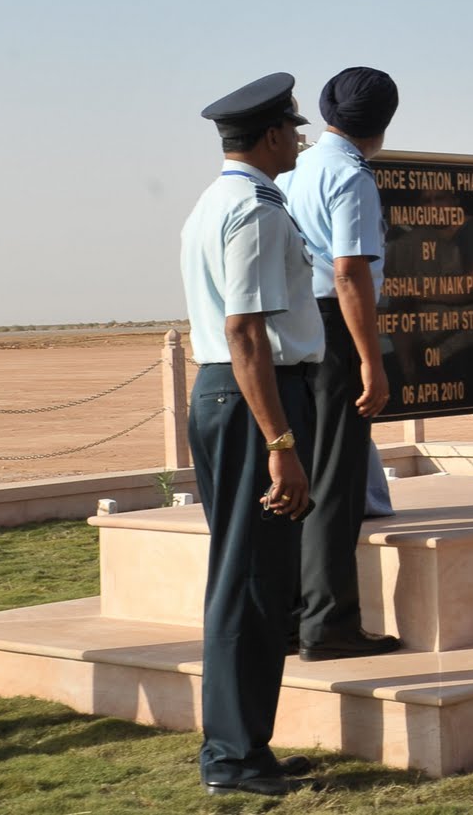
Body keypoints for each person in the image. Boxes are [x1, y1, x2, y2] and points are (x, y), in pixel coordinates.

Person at [180, 72, 321, 796]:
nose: (299, 138)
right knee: (250, 583)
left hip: (228, 395)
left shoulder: (216, 200)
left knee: (254, 577)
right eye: (293, 129)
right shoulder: (258, 209)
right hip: (252, 401)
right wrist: (281, 444)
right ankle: (233, 758)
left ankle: (245, 747)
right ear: (270, 136)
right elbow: (246, 332)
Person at [276, 66, 402, 661]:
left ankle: (295, 614)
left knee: (305, 477)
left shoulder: (299, 168)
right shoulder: (351, 177)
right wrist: (372, 362)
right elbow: (351, 272)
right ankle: (329, 627)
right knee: (337, 482)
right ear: (382, 123)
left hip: (300, 324)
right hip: (336, 329)